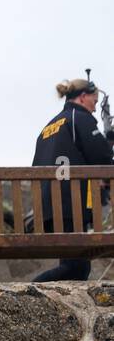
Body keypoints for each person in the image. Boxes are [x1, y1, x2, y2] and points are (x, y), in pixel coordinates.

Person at [31, 76, 114, 282]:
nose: (95, 109)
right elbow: (102, 158)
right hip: (71, 204)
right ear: (83, 97)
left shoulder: (49, 126)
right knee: (76, 267)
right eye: (94, 102)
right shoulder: (80, 118)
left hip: (49, 207)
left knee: (76, 266)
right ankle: (29, 290)